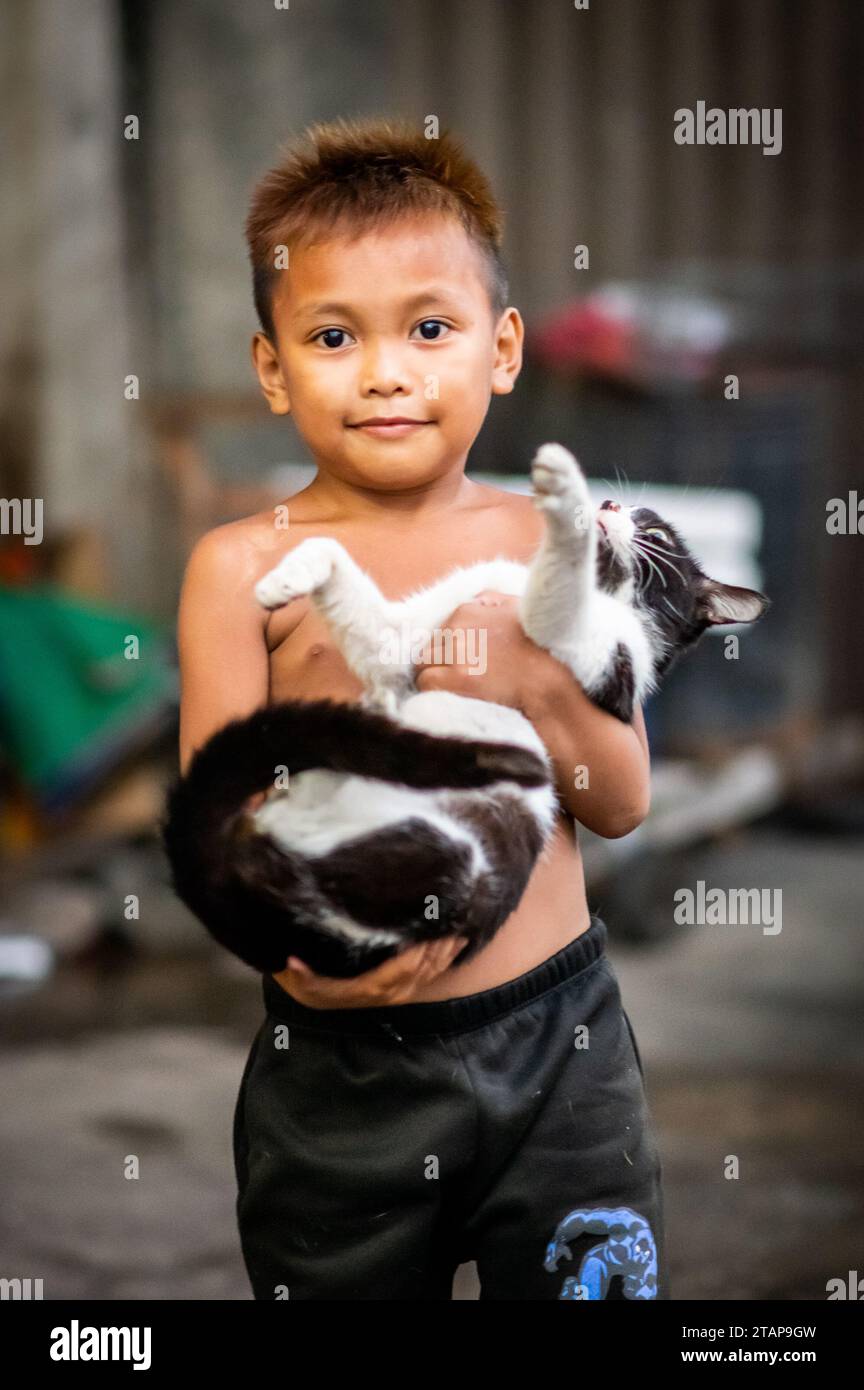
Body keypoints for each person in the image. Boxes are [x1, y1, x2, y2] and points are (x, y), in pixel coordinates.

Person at [177, 116, 668, 1300]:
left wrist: (533, 664)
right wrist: (306, 970)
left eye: (429, 329)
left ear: (500, 350)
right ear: (271, 365)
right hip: (339, 1058)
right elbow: (216, 829)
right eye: (334, 335)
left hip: (561, 1048)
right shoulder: (243, 568)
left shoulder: (545, 542)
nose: (386, 371)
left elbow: (618, 804)